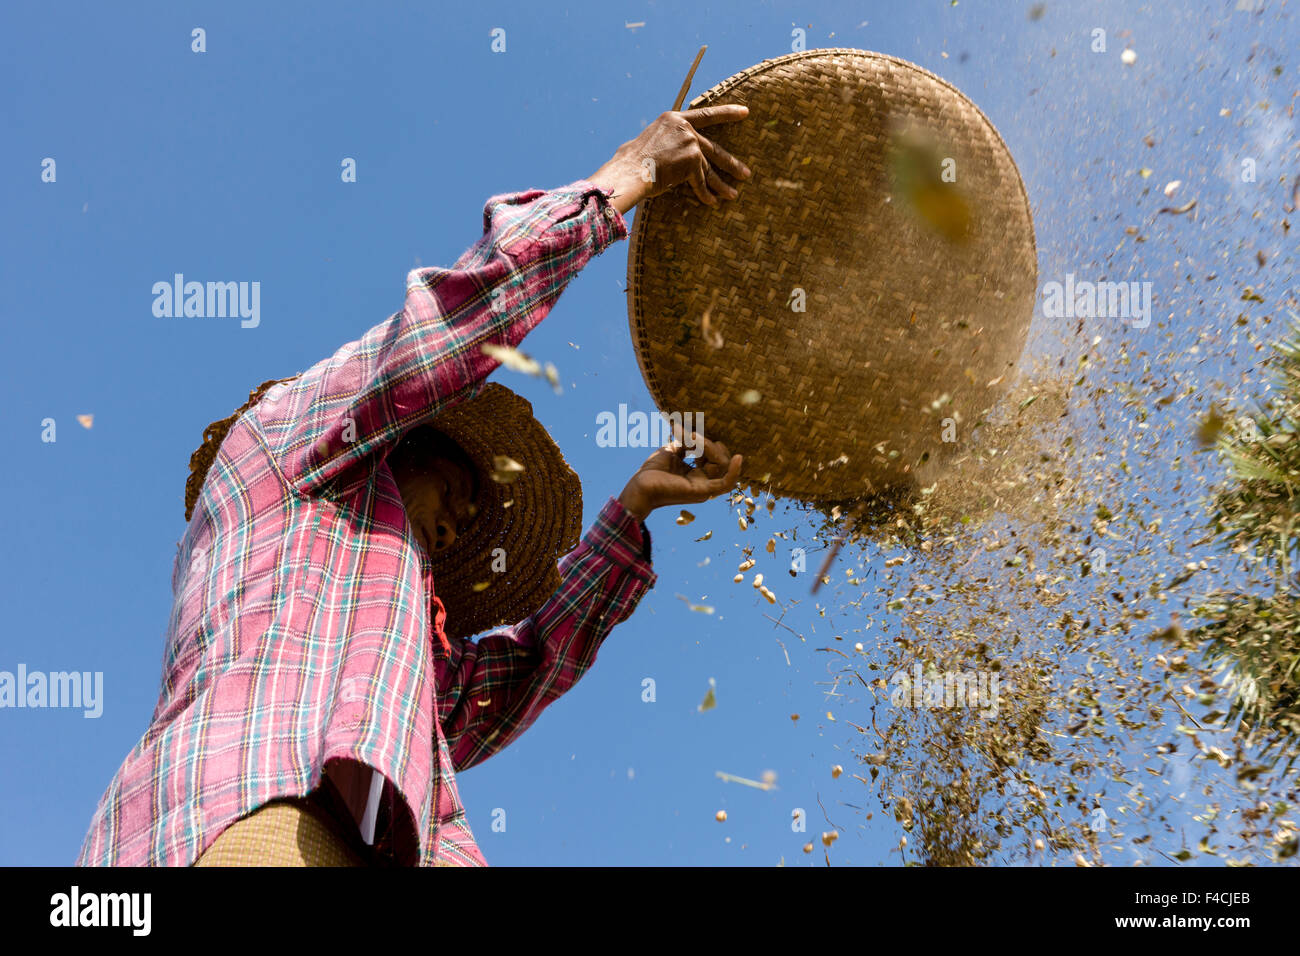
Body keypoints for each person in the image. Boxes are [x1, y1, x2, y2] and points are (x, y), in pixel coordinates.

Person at [76, 105, 752, 866]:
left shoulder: (396, 672)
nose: (463, 524)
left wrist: (634, 509)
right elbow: (438, 338)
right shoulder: (287, 448)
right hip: (241, 811)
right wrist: (619, 180)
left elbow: (518, 677)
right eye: (458, 491)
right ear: (399, 438)